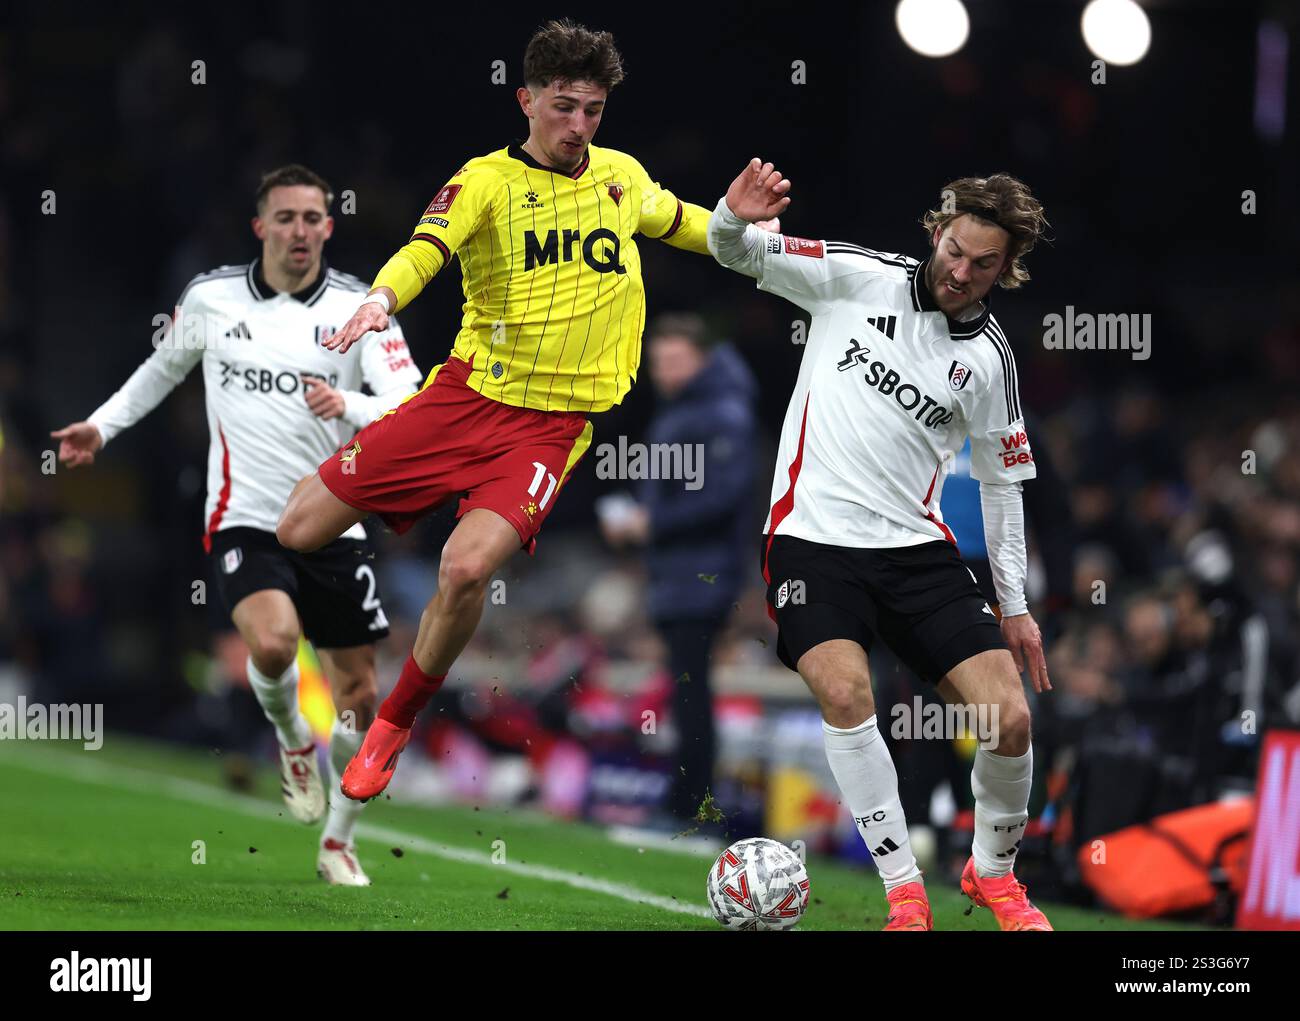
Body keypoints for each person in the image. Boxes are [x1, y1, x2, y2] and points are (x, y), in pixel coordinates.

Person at [274, 21, 763, 801]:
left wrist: (739, 221)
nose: (578, 126)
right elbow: (425, 249)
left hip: (551, 427)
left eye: (594, 110)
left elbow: (693, 227)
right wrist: (380, 299)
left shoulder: (621, 177)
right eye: (564, 106)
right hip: (464, 398)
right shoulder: (485, 182)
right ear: (526, 98)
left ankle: (394, 724)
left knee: (465, 567)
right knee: (297, 531)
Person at [51, 165, 422, 886]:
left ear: (328, 226)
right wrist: (101, 425)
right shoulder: (213, 298)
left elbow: (411, 402)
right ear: (260, 227)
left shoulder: (360, 308)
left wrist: (347, 408)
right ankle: (290, 740)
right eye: (284, 217)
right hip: (244, 518)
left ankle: (338, 841)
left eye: (312, 217)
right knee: (277, 642)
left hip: (334, 520)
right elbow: (162, 369)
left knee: (359, 700)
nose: (299, 230)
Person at [708, 158, 1054, 931]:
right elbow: (734, 249)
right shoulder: (854, 276)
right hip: (811, 538)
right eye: (955, 249)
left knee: (1010, 718)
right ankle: (904, 888)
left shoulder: (991, 360)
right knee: (845, 691)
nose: (962, 271)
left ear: (1006, 268)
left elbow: (1002, 485)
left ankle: (992, 873)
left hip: (916, 550)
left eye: (984, 263)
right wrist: (734, 214)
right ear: (936, 231)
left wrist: (1016, 606)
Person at [599, 312, 759, 828]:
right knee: (686, 688)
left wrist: (651, 523)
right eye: (657, 362)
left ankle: (692, 806)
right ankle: (685, 800)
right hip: (679, 574)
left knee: (692, 691)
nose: (663, 372)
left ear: (703, 360)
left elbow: (724, 497)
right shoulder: (685, 411)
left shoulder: (723, 411)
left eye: (674, 360)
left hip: (703, 575)